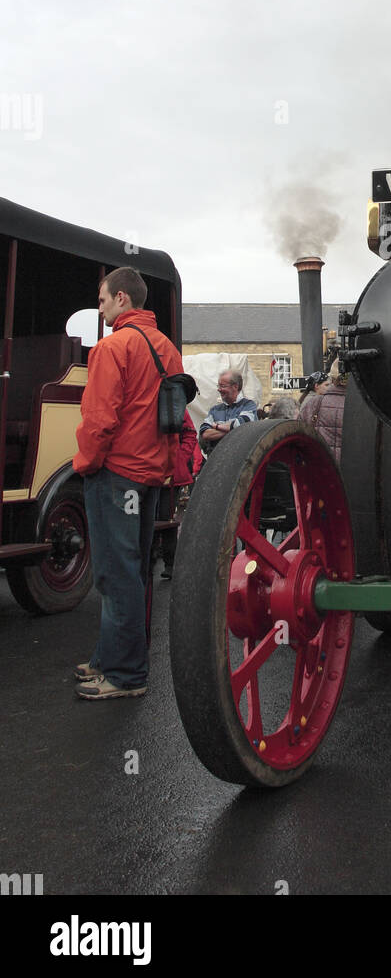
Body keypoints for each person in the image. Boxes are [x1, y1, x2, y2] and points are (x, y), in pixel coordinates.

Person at [73, 266, 183, 699]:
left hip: (116, 473)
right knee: (134, 571)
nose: (100, 310)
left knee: (116, 573)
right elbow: (173, 419)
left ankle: (125, 675)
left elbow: (99, 419)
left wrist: (86, 463)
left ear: (122, 299)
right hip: (149, 473)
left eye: (101, 301)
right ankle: (109, 657)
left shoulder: (112, 347)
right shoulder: (166, 349)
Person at [159, 410, 202, 579]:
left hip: (168, 474)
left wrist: (179, 458)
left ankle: (170, 563)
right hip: (149, 470)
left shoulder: (173, 403)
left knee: (166, 519)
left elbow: (190, 434)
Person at [198, 371, 258, 454]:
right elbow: (205, 434)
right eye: (218, 386)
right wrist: (234, 429)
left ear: (235, 387)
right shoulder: (215, 410)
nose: (219, 389)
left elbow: (242, 425)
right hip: (216, 460)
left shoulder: (248, 405)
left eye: (222, 386)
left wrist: (216, 426)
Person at [299, 364, 346, 461]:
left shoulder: (315, 402)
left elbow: (299, 431)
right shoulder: (363, 404)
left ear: (332, 379)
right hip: (352, 467)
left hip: (322, 464)